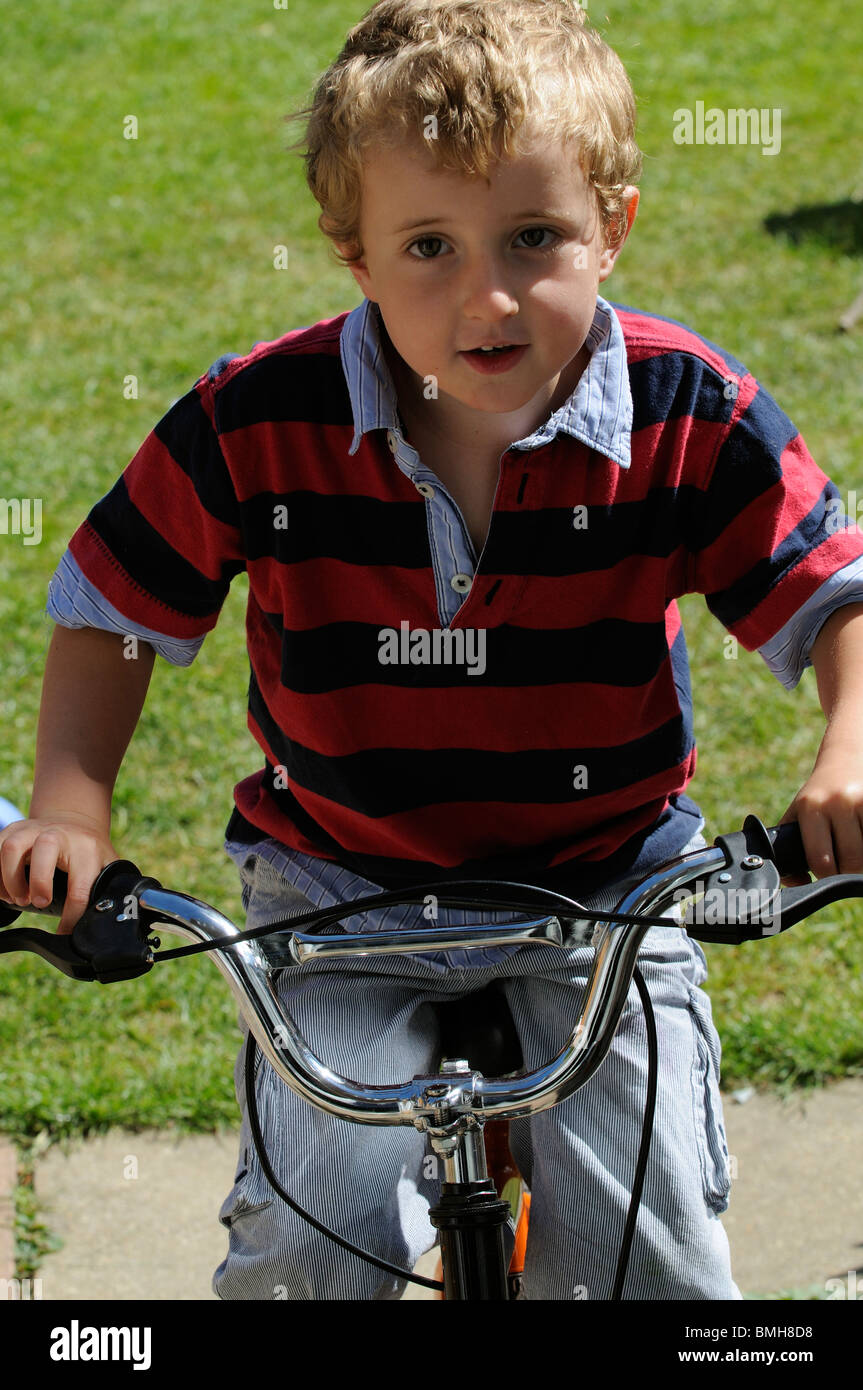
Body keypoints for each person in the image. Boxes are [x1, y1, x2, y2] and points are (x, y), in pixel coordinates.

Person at [3, 0, 863, 1300]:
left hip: (604, 889)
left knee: (661, 1267)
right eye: (427, 247)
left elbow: (837, 597)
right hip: (339, 886)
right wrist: (70, 802)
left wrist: (852, 742)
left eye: (534, 237)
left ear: (613, 222)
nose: (488, 295)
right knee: (307, 1245)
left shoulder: (693, 414)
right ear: (352, 254)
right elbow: (118, 600)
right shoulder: (258, 421)